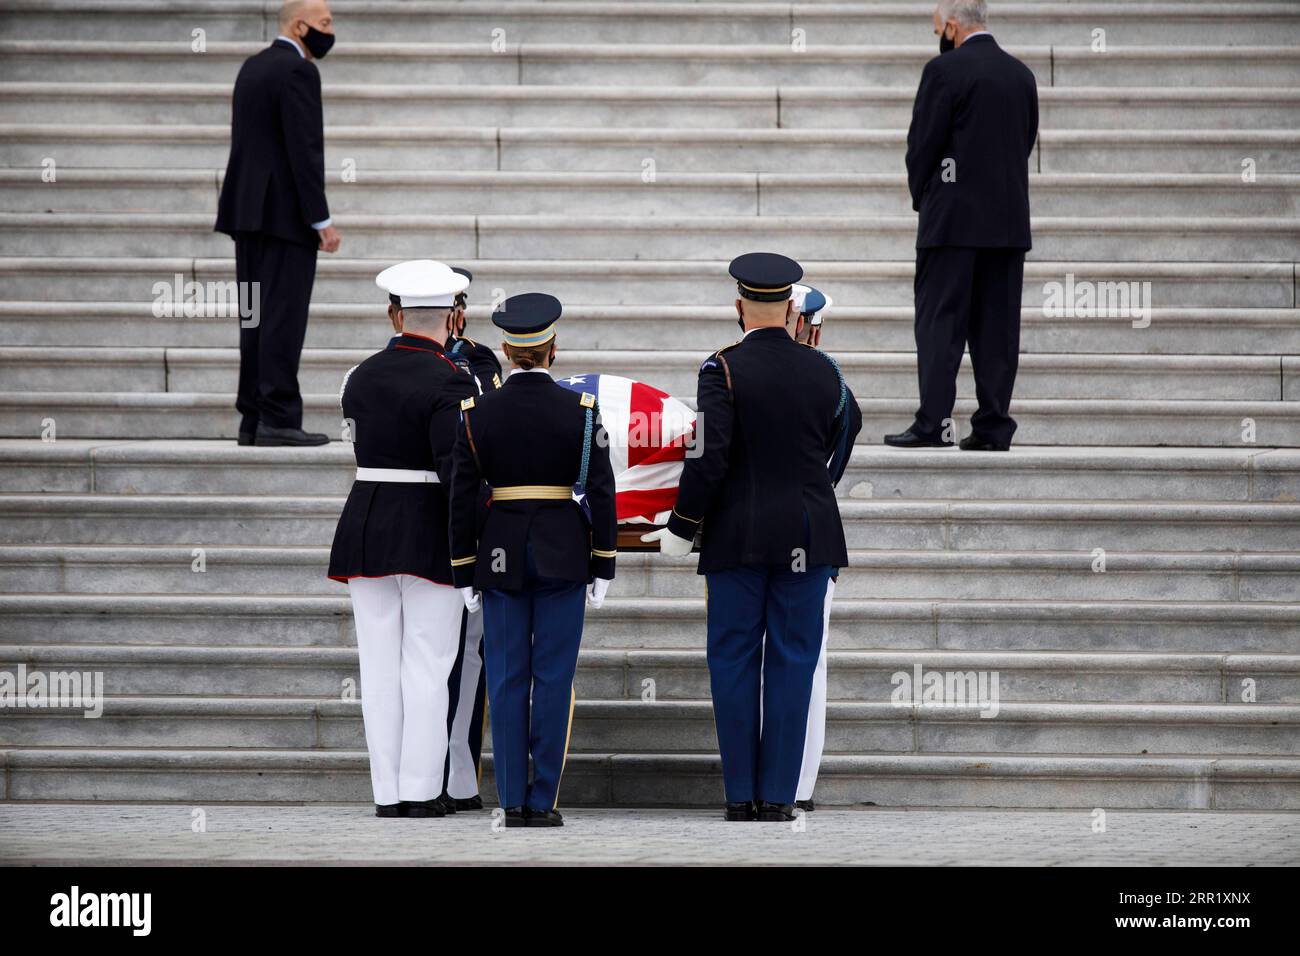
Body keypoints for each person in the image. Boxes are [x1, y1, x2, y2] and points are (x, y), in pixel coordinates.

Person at [642, 253, 856, 822]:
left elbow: (707, 457)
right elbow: (844, 428)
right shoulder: (826, 371)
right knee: (793, 661)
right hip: (809, 535)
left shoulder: (721, 370)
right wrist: (815, 483)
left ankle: (741, 795)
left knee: (734, 660)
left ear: (739, 308)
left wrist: (683, 526)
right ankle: (780, 798)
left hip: (738, 536)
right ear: (791, 308)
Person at [449, 293, 617, 828]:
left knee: (504, 676)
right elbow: (601, 489)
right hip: (564, 551)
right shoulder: (582, 411)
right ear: (552, 348)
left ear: (504, 348)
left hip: (497, 551)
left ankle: (511, 801)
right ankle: (541, 802)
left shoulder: (478, 411)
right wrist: (604, 562)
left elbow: (463, 493)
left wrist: (462, 568)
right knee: (552, 676)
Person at [327, 260, 477, 818]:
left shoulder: (357, 376)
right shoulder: (454, 380)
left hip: (366, 525)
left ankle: (387, 793)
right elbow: (459, 470)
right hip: (428, 529)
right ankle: (419, 789)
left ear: (394, 314)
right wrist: (472, 546)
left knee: (379, 665)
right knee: (428, 663)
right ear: (454, 317)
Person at [884, 0, 1038, 451]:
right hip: (1007, 225)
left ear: (952, 27)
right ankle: (993, 427)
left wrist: (925, 197)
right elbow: (1023, 143)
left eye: (938, 28)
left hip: (951, 224)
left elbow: (922, 146)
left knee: (939, 324)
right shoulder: (1021, 75)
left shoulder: (943, 71)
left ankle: (932, 423)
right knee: (998, 329)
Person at [215, 0, 340, 447]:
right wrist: (320, 220)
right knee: (283, 319)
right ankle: (279, 417)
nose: (330, 31)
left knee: (254, 316)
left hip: (247, 215)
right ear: (299, 25)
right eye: (324, 23)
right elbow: (304, 152)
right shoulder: (298, 71)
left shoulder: (253, 67)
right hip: (284, 218)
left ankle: (252, 418)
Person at [790, 285, 860, 811]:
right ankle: (791, 783)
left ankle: (794, 784)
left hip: (801, 536)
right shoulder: (832, 382)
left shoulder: (830, 385)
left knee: (804, 662)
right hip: (811, 528)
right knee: (802, 663)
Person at [439, 266, 500, 812]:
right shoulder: (403, 362)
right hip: (422, 520)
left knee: (466, 654)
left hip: (465, 523)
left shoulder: (478, 362)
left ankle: (457, 774)